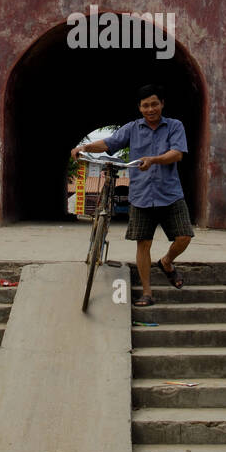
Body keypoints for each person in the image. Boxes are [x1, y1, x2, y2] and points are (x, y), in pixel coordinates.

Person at [71, 84, 192, 307]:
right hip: (141, 195)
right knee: (143, 244)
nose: (150, 109)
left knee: (184, 237)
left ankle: (166, 262)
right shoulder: (132, 128)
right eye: (145, 105)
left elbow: (177, 154)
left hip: (170, 193)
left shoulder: (175, 126)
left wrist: (154, 159)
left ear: (162, 104)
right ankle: (147, 292)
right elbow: (109, 143)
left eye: (154, 104)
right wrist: (85, 148)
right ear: (139, 108)